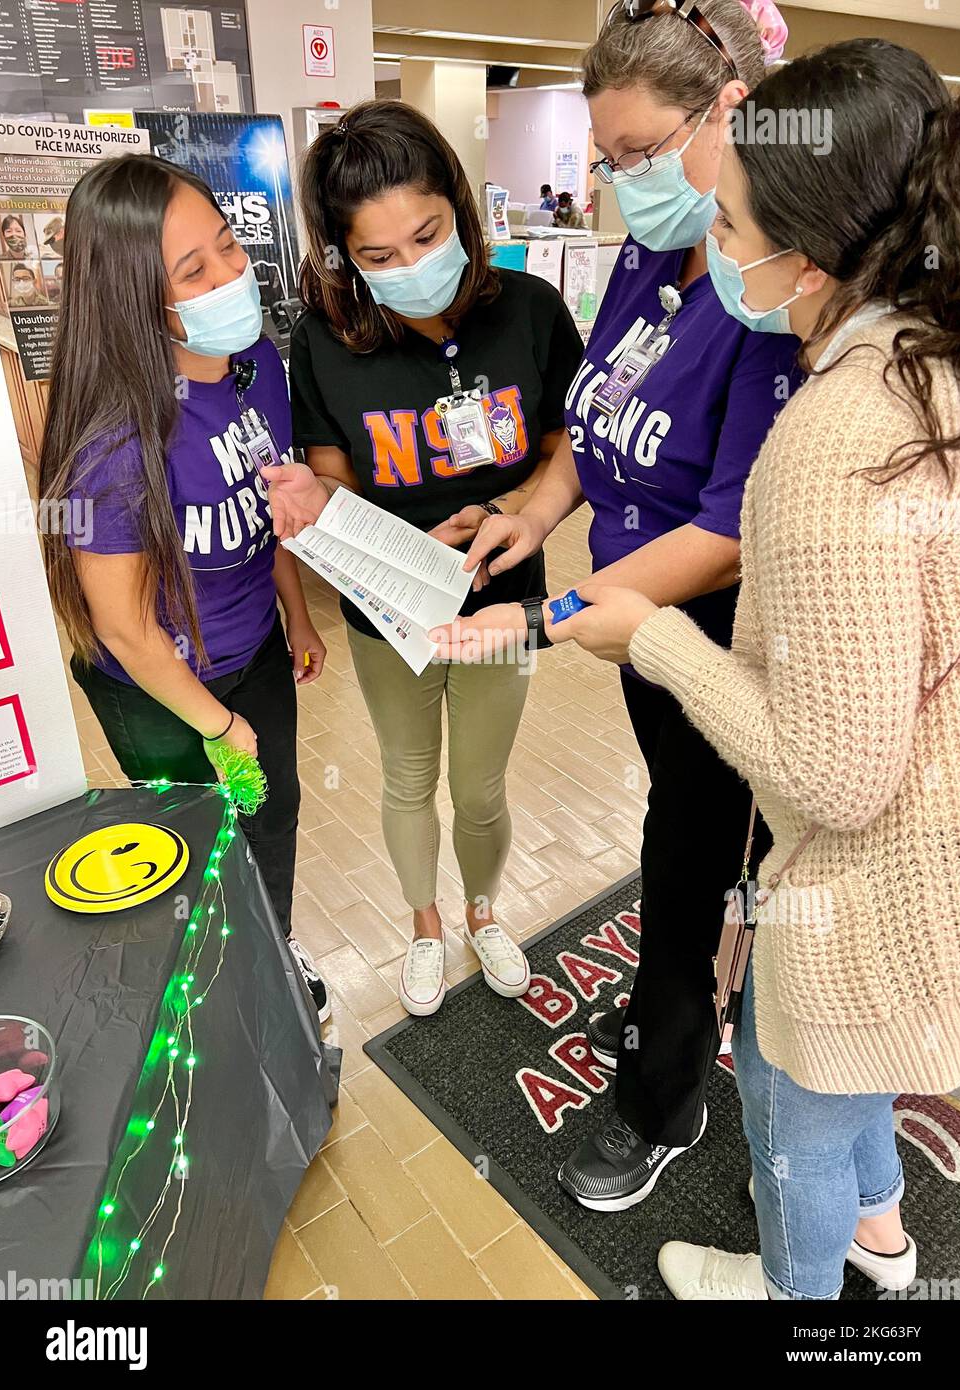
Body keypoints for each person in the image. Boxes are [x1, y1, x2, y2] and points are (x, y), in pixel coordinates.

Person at [547, 39, 960, 1300]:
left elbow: (833, 777)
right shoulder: (929, 362)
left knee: (790, 1107)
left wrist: (653, 636)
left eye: (727, 218)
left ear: (815, 243)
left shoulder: (835, 431)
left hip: (856, 888)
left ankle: (805, 1300)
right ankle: (883, 1245)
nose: (711, 243)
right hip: (932, 849)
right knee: (853, 1084)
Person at [432, 0, 798, 1209]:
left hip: (718, 652)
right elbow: (595, 429)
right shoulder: (649, 256)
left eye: (644, 153)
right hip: (640, 645)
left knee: (693, 860)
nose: (623, 181)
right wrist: (532, 517)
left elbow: (725, 529)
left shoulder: (762, 292)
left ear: (727, 115)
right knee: (673, 841)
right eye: (611, 158)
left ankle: (665, 1099)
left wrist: (553, 610)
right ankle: (667, 1009)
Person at [267, 100, 585, 1018]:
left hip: (501, 602)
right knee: (408, 778)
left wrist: (518, 511)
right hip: (389, 608)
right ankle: (425, 927)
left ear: (459, 209)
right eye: (377, 256)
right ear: (341, 255)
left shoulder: (529, 311)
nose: (410, 268)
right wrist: (386, 539)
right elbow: (331, 489)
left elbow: (568, 441)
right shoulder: (324, 340)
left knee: (479, 784)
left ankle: (486, 913)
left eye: (427, 235)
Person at [38, 153, 330, 1018]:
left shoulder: (257, 369)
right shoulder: (115, 438)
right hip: (157, 690)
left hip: (255, 654)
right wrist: (220, 723)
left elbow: (274, 500)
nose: (230, 275)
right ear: (134, 297)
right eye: (191, 269)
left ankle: (270, 966)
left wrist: (298, 616)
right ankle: (210, 1003)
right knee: (194, 854)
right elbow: (123, 629)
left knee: (271, 822)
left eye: (229, 246)